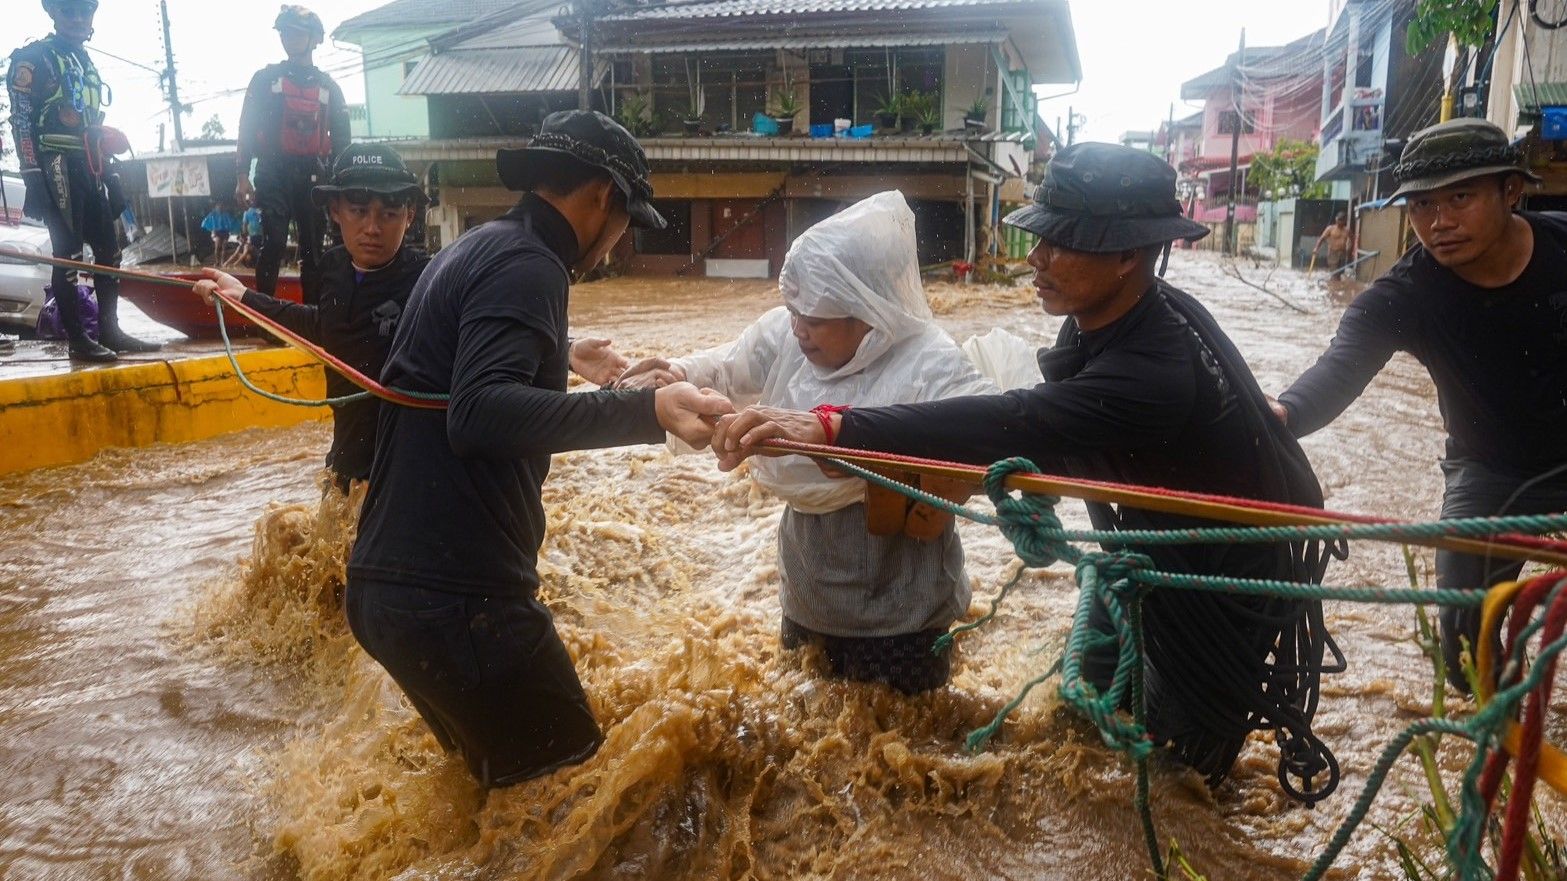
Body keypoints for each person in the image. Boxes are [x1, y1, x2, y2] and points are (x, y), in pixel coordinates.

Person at [711, 143, 1343, 802]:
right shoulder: (1106, 320)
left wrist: (831, 427)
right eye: (1038, 238)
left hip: (1216, 580)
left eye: (1060, 243)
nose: (1034, 258)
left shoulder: (1151, 370)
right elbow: (1033, 426)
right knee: (1080, 713)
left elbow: (1014, 420)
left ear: (1127, 254)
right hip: (1135, 550)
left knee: (1180, 777)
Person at [345, 110, 733, 787]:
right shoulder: (531, 265)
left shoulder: (478, 246)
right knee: (576, 805)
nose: (613, 245)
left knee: (505, 806)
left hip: (395, 593)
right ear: (603, 198)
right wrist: (648, 410)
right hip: (459, 601)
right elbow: (480, 413)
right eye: (623, 226)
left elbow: (466, 382)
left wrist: (588, 369)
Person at [618, 191, 996, 694]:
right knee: (806, 733)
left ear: (868, 310)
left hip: (906, 612)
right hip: (808, 594)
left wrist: (839, 432)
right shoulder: (787, 335)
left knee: (907, 746)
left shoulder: (931, 362)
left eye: (815, 319)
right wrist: (678, 372)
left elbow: (991, 435)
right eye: (794, 311)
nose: (799, 330)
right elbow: (730, 364)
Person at [1272, 118, 1567, 692]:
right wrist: (1282, 415)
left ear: (1511, 191)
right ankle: (1507, 727)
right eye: (1422, 205)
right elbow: (1338, 373)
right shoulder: (1404, 297)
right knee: (1462, 651)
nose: (1440, 222)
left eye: (1460, 197)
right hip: (1491, 470)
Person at [192, 144, 430, 491]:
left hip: (407, 472)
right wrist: (243, 298)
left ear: (409, 215)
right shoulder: (333, 268)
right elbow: (324, 327)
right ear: (335, 211)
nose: (373, 227)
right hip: (346, 461)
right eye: (359, 211)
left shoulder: (431, 283)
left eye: (389, 214)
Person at [7, 0, 160, 362]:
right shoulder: (32, 59)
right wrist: (32, 177)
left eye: (84, 11)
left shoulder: (83, 61)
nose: (77, 19)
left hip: (90, 164)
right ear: (52, 13)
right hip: (55, 163)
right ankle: (78, 340)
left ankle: (109, 329)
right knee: (69, 253)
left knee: (110, 251)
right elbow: (21, 121)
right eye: (68, 11)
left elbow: (91, 124)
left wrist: (110, 173)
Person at [235, 5, 349, 305]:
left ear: (314, 40)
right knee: (273, 241)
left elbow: (342, 140)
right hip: (273, 171)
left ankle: (312, 314)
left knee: (313, 248)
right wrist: (241, 175)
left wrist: (342, 185)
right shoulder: (264, 79)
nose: (290, 38)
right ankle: (264, 318)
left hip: (313, 173)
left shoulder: (329, 87)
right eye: (285, 33)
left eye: (298, 34)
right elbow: (246, 127)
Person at [200, 200, 241, 265]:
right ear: (216, 207)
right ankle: (217, 261)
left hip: (225, 232)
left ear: (223, 207)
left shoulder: (226, 214)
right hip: (217, 232)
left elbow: (232, 221)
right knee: (217, 247)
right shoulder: (213, 214)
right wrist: (212, 230)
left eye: (221, 206)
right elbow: (207, 221)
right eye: (218, 206)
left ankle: (222, 262)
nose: (220, 207)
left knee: (224, 247)